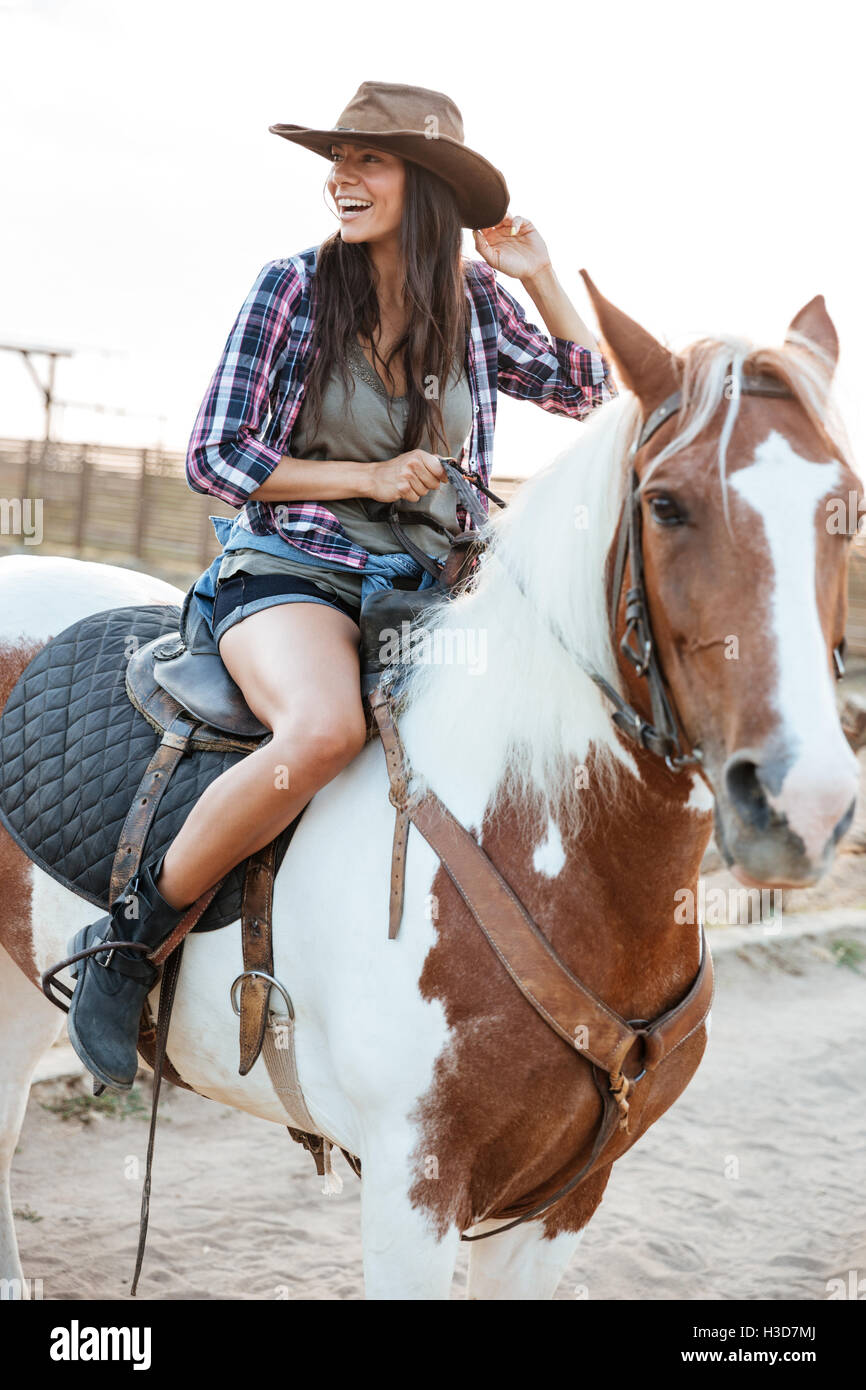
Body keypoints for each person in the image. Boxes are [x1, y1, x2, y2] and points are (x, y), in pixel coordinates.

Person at [64, 80, 617, 1091]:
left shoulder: (477, 302)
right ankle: (127, 943)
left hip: (433, 586)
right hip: (294, 568)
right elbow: (215, 455)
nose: (341, 179)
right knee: (324, 733)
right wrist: (362, 476)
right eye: (339, 159)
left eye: (369, 161)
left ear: (428, 184)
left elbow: (590, 390)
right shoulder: (292, 288)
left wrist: (540, 275)